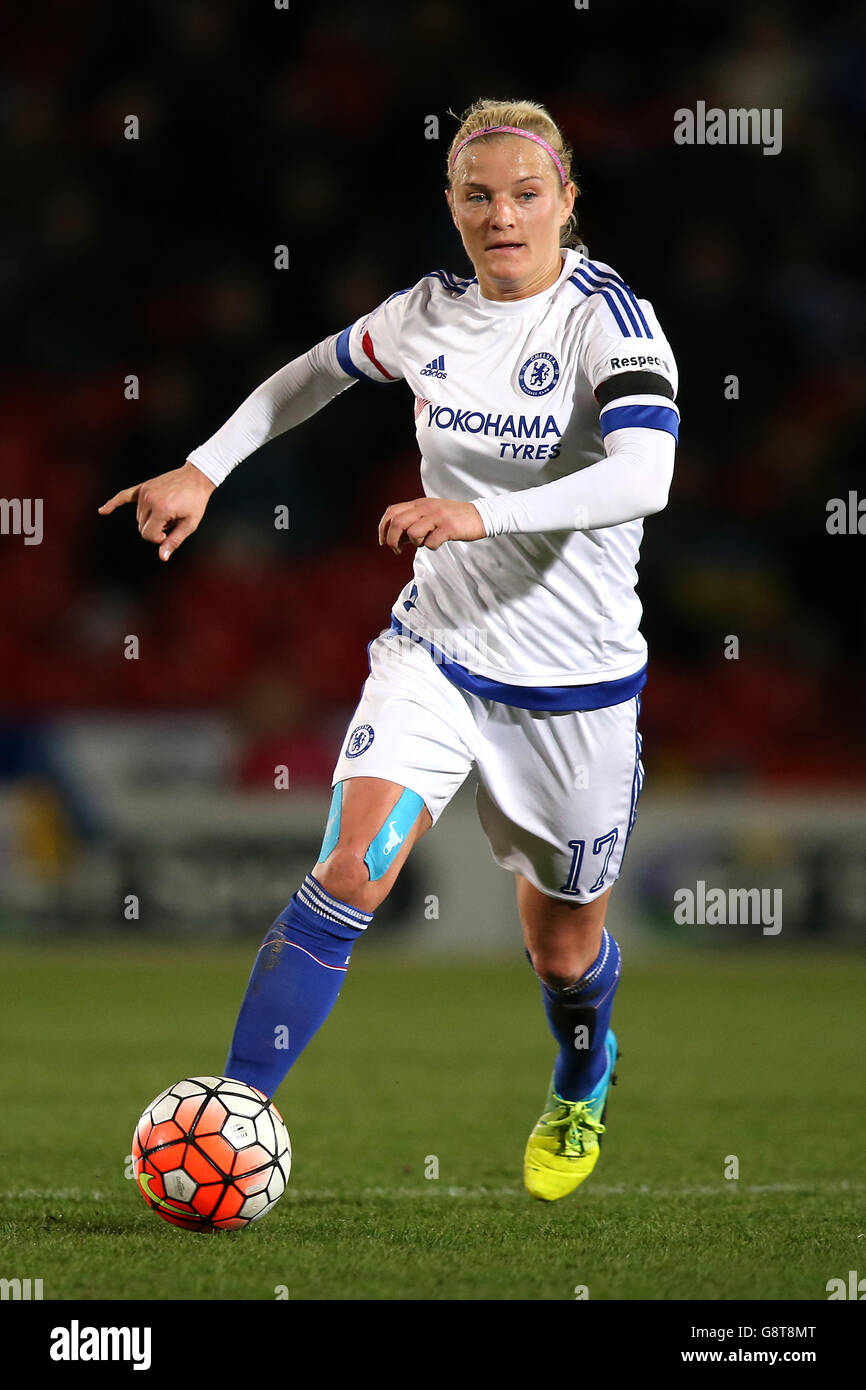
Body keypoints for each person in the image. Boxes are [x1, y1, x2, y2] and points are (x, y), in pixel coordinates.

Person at [99, 97, 680, 1202]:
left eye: (523, 193)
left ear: (565, 200)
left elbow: (642, 478)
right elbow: (311, 372)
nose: (500, 215)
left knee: (560, 955)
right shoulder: (427, 314)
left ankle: (579, 1069)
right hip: (437, 651)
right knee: (349, 869)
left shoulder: (610, 322)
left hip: (575, 691)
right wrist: (203, 468)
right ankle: (232, 1113)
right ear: (451, 206)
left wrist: (477, 514)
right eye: (476, 195)